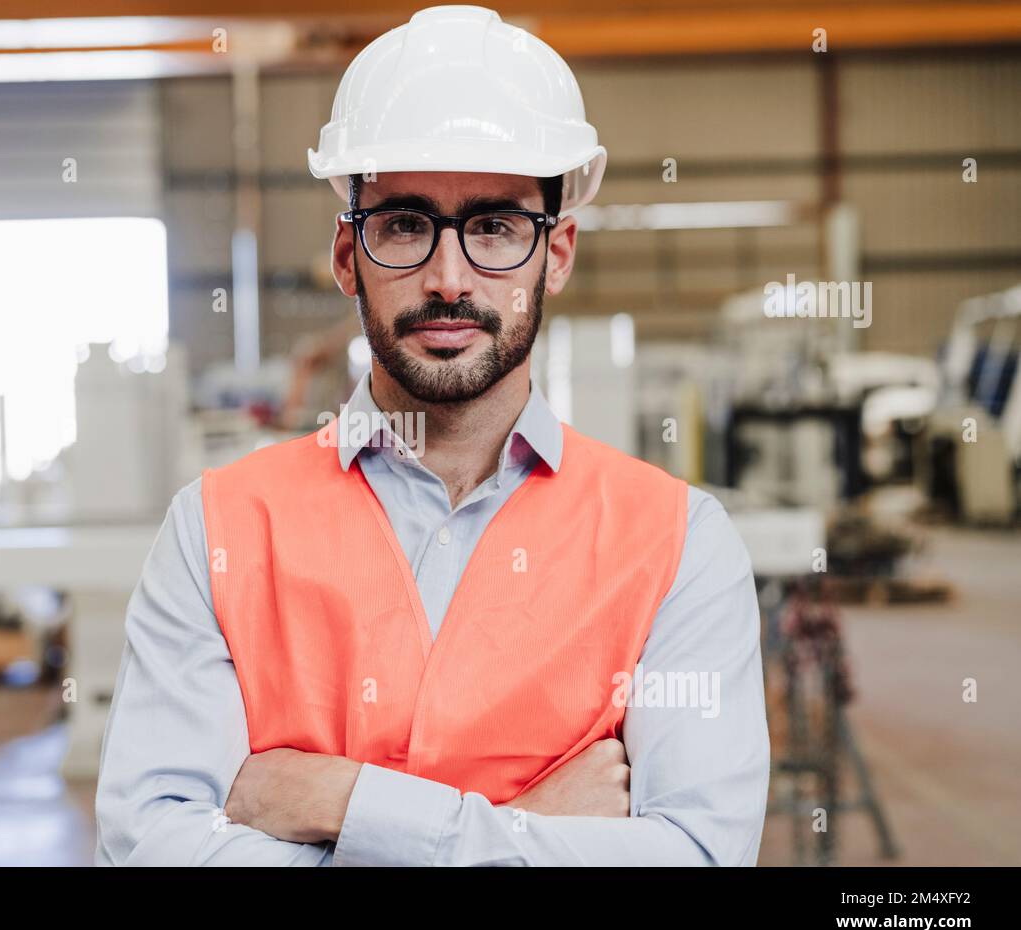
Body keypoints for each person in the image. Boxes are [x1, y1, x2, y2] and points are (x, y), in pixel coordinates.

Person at [95, 4, 769, 866]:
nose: (449, 280)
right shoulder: (217, 531)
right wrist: (524, 824)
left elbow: (698, 857)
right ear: (349, 256)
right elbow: (156, 848)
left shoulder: (678, 546)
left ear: (555, 254)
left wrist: (340, 801)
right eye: (406, 224)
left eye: (494, 226)